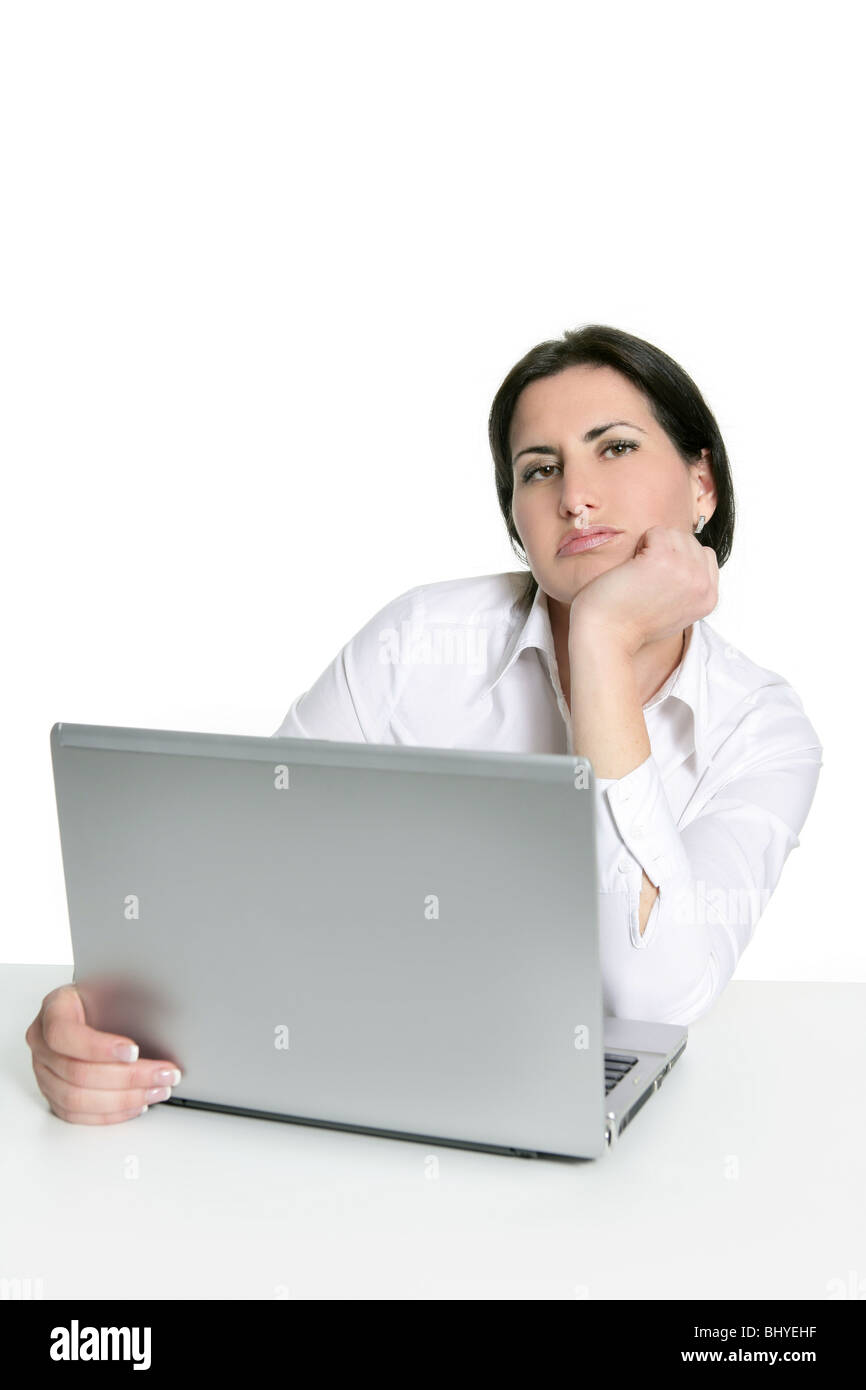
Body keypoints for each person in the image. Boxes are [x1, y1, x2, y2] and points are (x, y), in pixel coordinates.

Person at [25, 323, 823, 1123]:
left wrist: (603, 646)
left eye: (613, 449)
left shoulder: (762, 733)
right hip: (354, 1065)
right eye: (539, 469)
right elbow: (251, 872)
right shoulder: (420, 642)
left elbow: (653, 998)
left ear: (703, 486)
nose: (574, 495)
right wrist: (97, 1017)